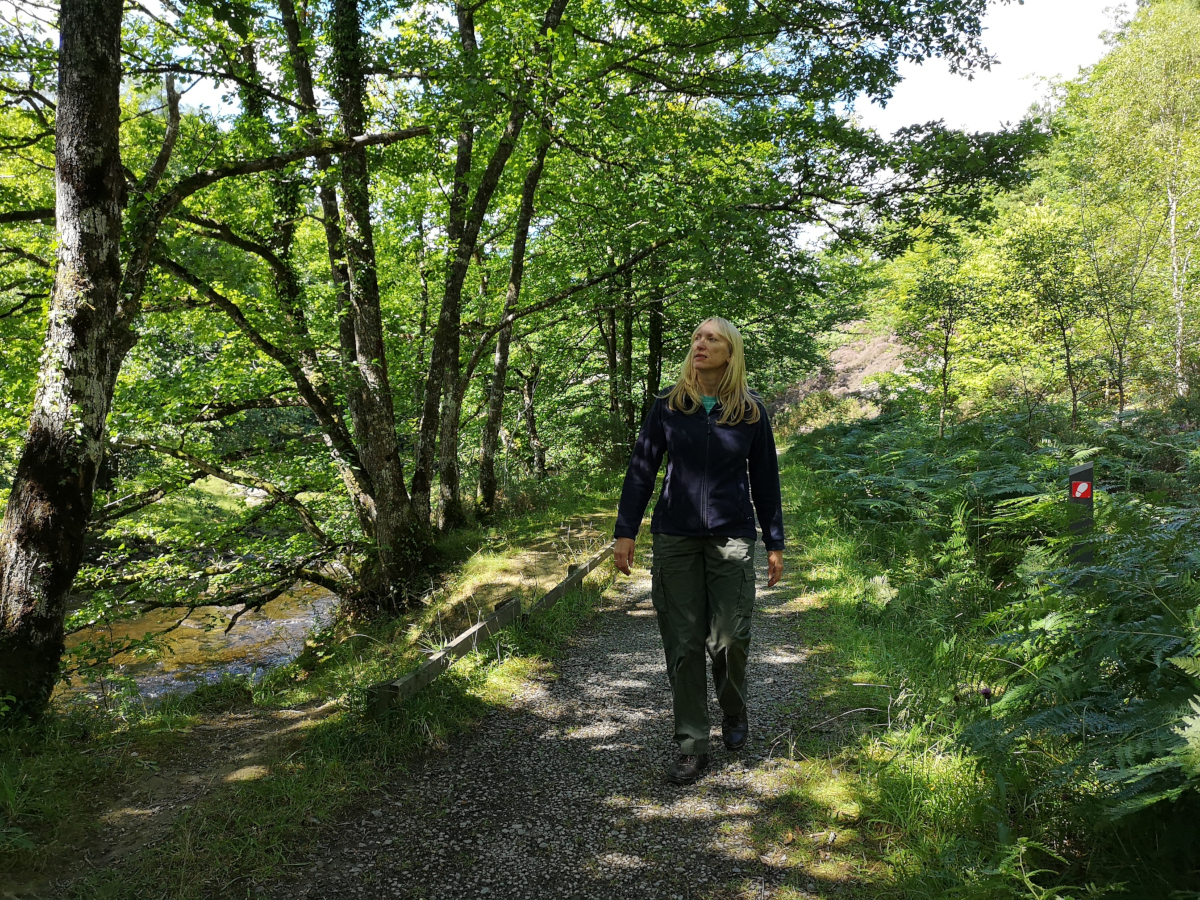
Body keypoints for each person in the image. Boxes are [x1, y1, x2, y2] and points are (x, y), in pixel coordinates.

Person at [613, 317, 784, 785]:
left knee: (729, 638)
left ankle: (733, 709)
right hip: (676, 538)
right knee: (684, 645)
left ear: (731, 352)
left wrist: (774, 542)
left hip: (731, 536)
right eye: (697, 338)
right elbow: (642, 470)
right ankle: (692, 744)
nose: (701, 345)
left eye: (713, 339)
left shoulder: (750, 413)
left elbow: (766, 482)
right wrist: (625, 531)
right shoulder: (669, 406)